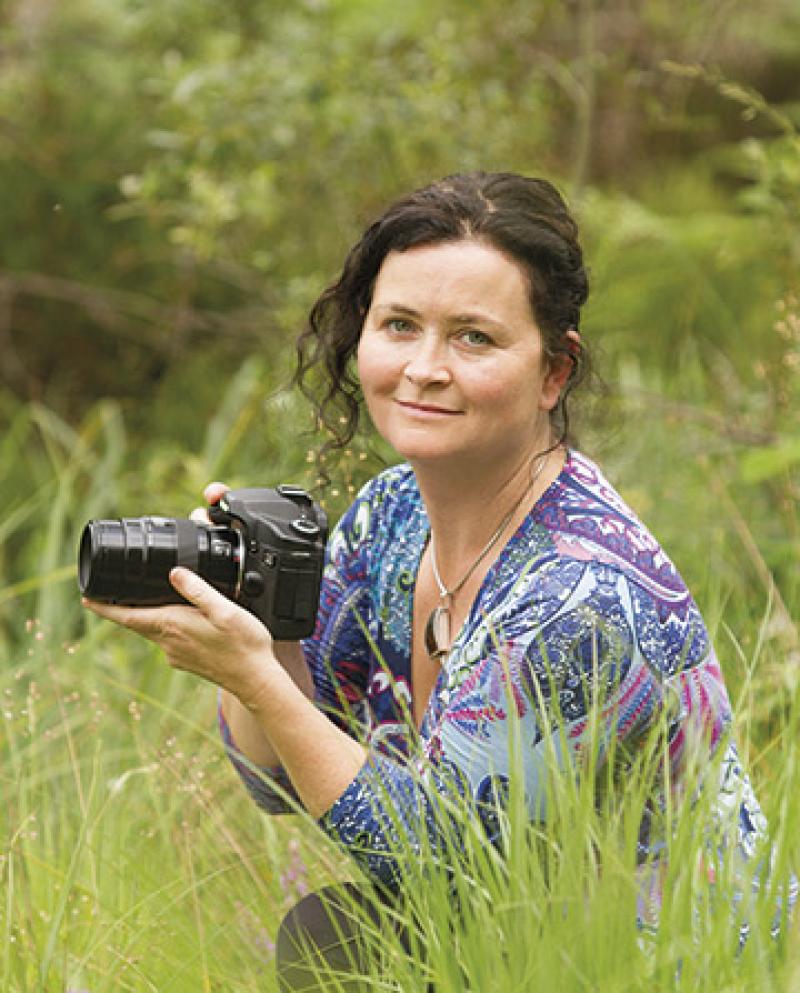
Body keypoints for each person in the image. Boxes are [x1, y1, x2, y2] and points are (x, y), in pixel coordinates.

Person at [84, 172, 782, 988]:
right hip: (525, 932)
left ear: (554, 371)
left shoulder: (576, 594)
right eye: (400, 325)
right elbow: (277, 781)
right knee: (342, 935)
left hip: (675, 965)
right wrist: (264, 626)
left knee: (349, 937)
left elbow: (435, 859)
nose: (423, 367)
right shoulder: (391, 516)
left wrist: (254, 677)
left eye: (474, 338)